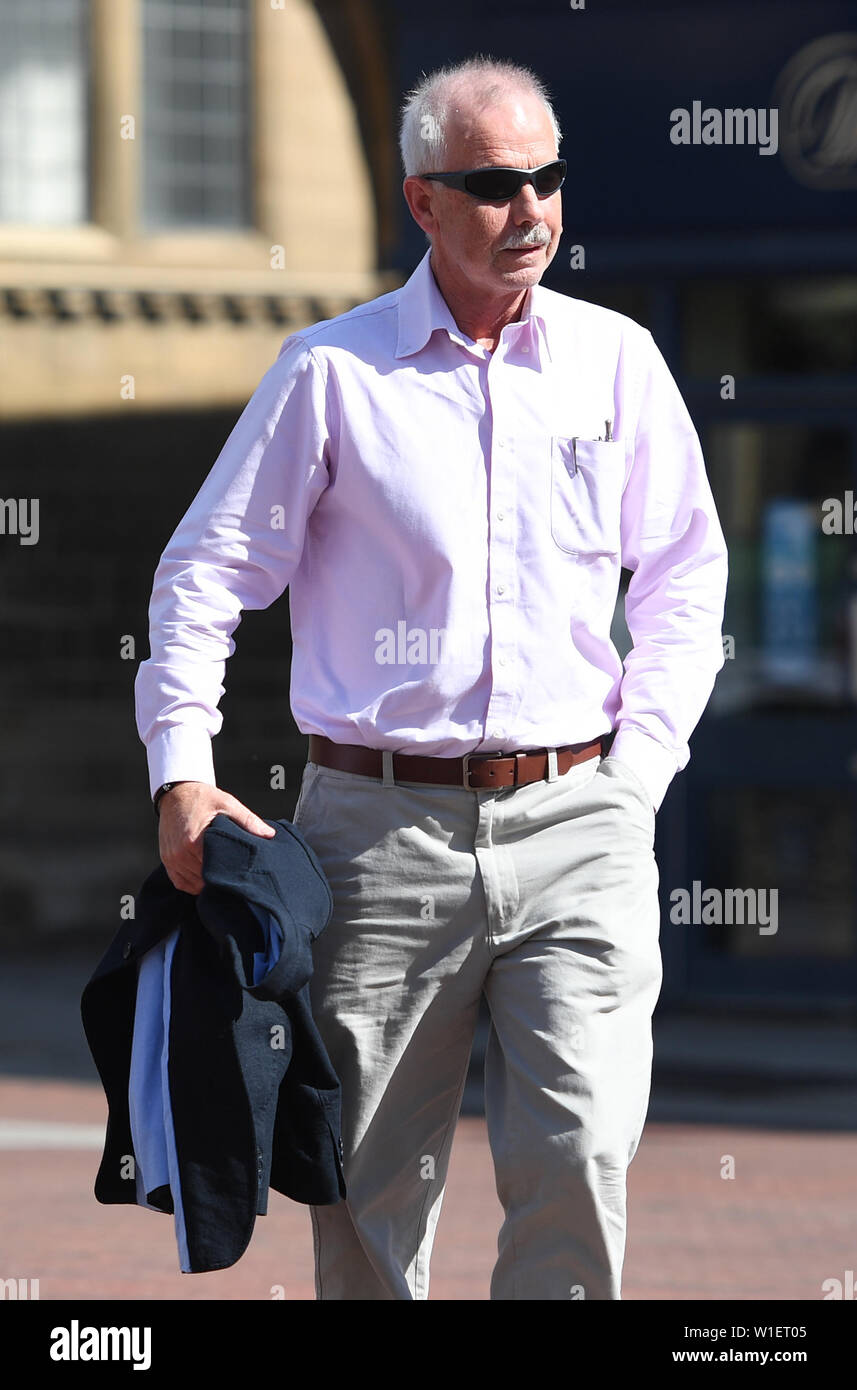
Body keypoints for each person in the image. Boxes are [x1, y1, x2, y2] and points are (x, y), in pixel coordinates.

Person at [135, 55, 728, 1300]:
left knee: (577, 1156)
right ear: (421, 201)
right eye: (495, 184)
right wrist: (181, 776)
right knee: (363, 1183)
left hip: (580, 820)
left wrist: (637, 778)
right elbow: (202, 576)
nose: (531, 213)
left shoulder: (615, 362)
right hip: (374, 832)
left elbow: (683, 575)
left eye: (547, 180)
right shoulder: (329, 374)